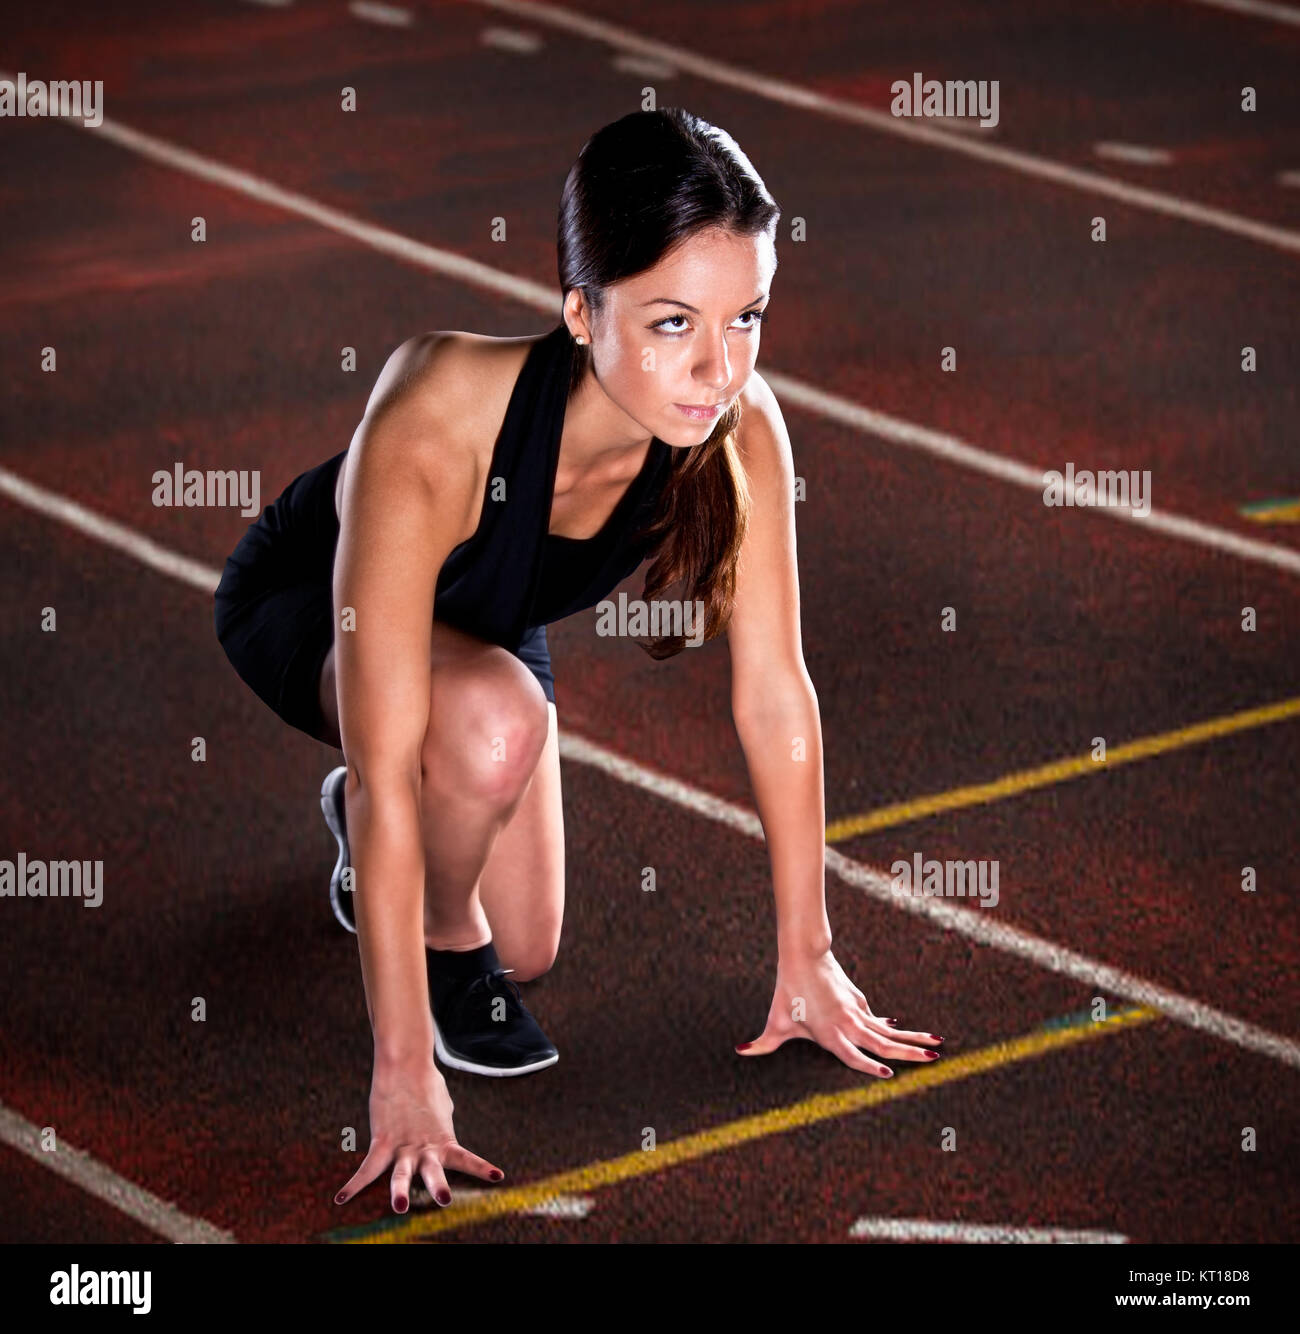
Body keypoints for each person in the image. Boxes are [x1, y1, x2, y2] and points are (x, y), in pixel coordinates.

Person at [213, 106, 941, 1218]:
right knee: (488, 734)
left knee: (535, 941)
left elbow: (774, 689)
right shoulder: (436, 417)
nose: (716, 366)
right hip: (314, 603)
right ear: (577, 310)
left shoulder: (738, 428)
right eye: (669, 323)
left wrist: (809, 953)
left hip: (484, 630)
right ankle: (411, 885)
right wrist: (403, 1069)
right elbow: (383, 749)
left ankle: (411, 848)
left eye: (745, 316)